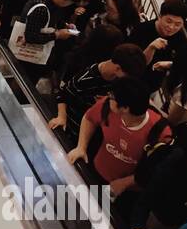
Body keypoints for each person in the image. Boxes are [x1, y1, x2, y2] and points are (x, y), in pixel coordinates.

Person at [68, 77, 171, 207]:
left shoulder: (161, 133)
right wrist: (81, 147)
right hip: (95, 173)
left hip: (125, 194)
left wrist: (125, 183)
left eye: (112, 96)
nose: (108, 96)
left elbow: (159, 171)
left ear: (125, 108)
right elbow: (89, 118)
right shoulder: (106, 106)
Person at [49, 43, 147, 134]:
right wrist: (61, 117)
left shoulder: (119, 79)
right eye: (127, 76)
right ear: (117, 68)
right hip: (76, 129)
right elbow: (63, 95)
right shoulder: (85, 79)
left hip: (100, 129)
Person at [128, 0, 187, 85]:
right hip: (131, 80)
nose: (171, 27)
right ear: (160, 16)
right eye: (169, 21)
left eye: (177, 24)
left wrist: (170, 64)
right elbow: (131, 63)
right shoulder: (141, 30)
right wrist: (151, 48)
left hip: (153, 84)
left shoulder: (180, 39)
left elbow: (183, 63)